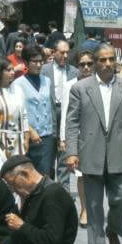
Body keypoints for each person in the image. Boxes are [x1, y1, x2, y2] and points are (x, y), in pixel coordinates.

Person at [64, 42, 122, 244]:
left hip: (120, 151)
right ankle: (97, 243)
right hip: (90, 152)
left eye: (111, 59)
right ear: (95, 63)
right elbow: (72, 123)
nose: (107, 64)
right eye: (102, 60)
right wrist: (71, 151)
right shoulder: (80, 88)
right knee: (95, 203)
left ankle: (113, 230)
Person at [60, 50, 94, 229]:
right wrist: (64, 138)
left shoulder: (100, 83)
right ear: (77, 66)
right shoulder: (70, 86)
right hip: (78, 137)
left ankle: (95, 208)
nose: (86, 67)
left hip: (97, 136)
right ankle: (85, 209)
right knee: (81, 175)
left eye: (90, 64)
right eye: (82, 64)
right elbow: (66, 113)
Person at [15, 47, 57, 178]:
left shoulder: (47, 81)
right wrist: (29, 130)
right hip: (28, 136)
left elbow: (51, 107)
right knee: (27, 176)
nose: (39, 65)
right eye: (34, 61)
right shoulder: (18, 84)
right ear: (26, 63)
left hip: (46, 136)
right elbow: (17, 112)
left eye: (41, 61)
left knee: (44, 175)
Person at [41, 40, 77, 186]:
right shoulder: (44, 70)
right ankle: (47, 189)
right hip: (48, 115)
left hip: (66, 114)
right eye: (62, 52)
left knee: (64, 156)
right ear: (53, 53)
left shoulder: (74, 72)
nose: (65, 55)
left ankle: (64, 191)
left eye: (67, 52)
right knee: (48, 159)